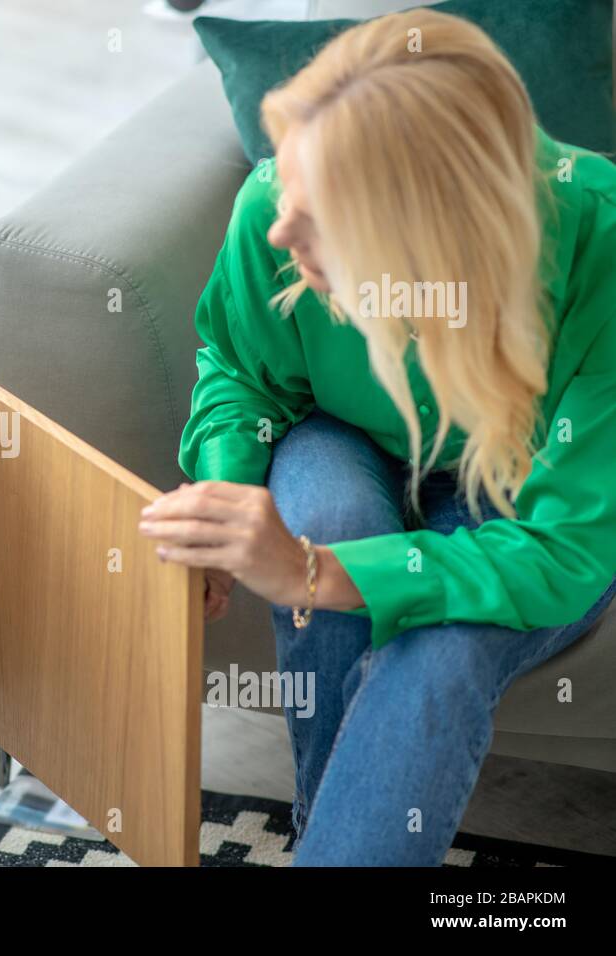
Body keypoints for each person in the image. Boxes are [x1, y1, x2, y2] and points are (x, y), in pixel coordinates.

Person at [136, 8, 616, 865]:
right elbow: (243, 370)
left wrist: (312, 572)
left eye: (320, 226)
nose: (284, 232)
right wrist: (230, 495)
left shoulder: (601, 249)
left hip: (529, 500)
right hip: (347, 437)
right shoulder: (276, 204)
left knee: (438, 651)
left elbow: (564, 546)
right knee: (326, 515)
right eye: (287, 196)